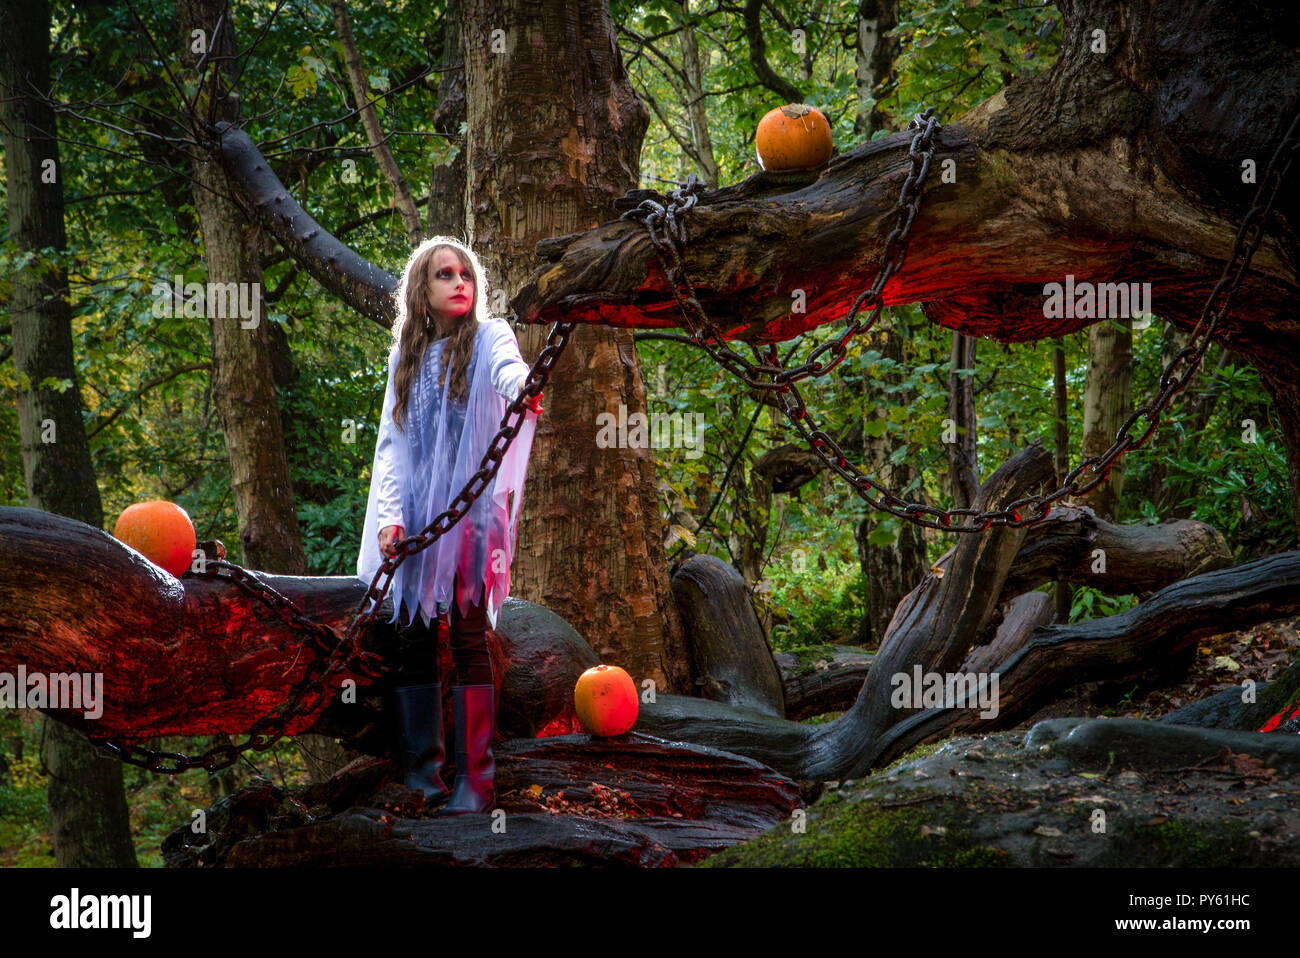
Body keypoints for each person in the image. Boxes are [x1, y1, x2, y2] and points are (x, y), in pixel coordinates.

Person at [356, 236, 541, 815]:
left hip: (470, 515)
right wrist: (391, 516)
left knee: (465, 633)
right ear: (422, 290)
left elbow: (510, 372)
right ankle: (421, 778)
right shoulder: (403, 359)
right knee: (410, 632)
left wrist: (521, 387)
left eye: (465, 273)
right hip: (416, 514)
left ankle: (476, 782)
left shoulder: (490, 338)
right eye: (444, 274)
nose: (459, 282)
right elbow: (393, 443)